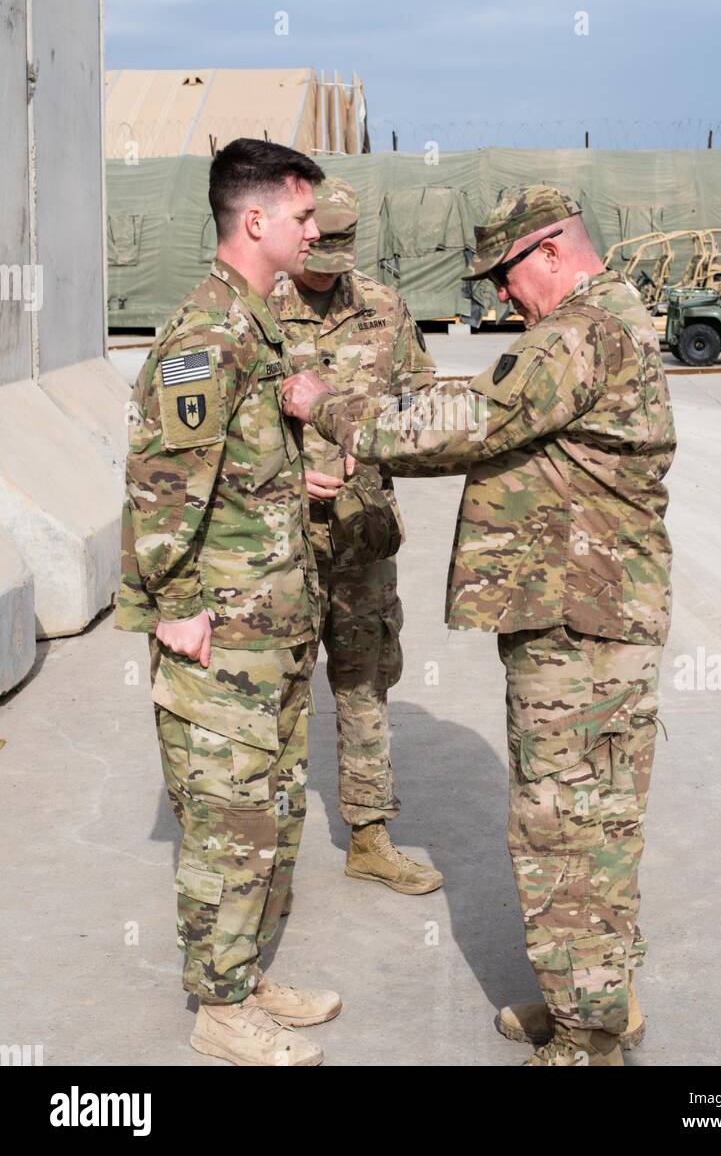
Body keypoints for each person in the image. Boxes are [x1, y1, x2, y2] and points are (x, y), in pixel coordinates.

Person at [281, 185, 677, 1067]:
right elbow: (490, 420)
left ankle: (586, 1041)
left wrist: (333, 410)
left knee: (563, 825)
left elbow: (469, 420)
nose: (499, 295)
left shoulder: (581, 333)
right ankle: (596, 1003)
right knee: (586, 817)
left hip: (583, 622)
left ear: (548, 251)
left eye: (504, 274)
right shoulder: (587, 327)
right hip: (576, 614)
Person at [116, 137, 341, 1068]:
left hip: (274, 624)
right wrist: (175, 603)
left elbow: (238, 469)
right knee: (227, 821)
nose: (315, 230)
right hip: (224, 632)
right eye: (302, 215)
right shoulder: (206, 335)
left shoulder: (257, 323)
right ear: (256, 220)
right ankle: (219, 1006)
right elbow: (164, 479)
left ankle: (246, 975)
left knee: (273, 807)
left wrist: (302, 436)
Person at [269, 177, 443, 894]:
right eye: (316, 253)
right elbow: (214, 435)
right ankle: (264, 852)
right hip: (277, 536)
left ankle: (369, 836)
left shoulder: (382, 306)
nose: (325, 274)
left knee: (364, 682)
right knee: (274, 689)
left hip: (361, 534)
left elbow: (422, 404)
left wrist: (372, 447)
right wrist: (285, 476)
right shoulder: (256, 310)